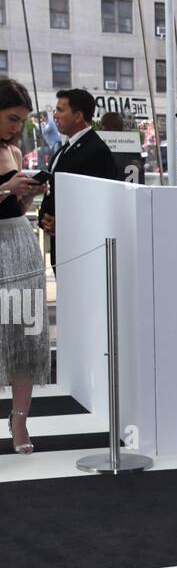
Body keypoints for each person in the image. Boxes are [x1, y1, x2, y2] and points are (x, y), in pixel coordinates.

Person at [0, 79, 51, 453]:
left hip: (19, 243)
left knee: (24, 335)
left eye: (22, 121)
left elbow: (15, 211)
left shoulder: (15, 153)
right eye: (12, 118)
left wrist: (27, 194)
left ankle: (20, 421)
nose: (17, 127)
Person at [38, 89, 117, 273]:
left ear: (78, 116)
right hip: (62, 245)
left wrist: (66, 223)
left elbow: (97, 204)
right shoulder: (67, 146)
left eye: (60, 110)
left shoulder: (96, 151)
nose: (55, 116)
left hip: (81, 251)